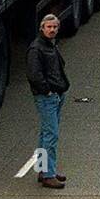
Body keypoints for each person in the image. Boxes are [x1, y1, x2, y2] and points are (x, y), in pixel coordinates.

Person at [27, 13, 70, 189]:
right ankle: (49, 175)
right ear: (42, 28)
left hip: (57, 94)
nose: (52, 30)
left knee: (46, 134)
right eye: (49, 27)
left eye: (54, 27)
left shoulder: (51, 46)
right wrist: (48, 91)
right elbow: (34, 75)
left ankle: (43, 170)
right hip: (47, 97)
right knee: (51, 135)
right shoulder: (37, 49)